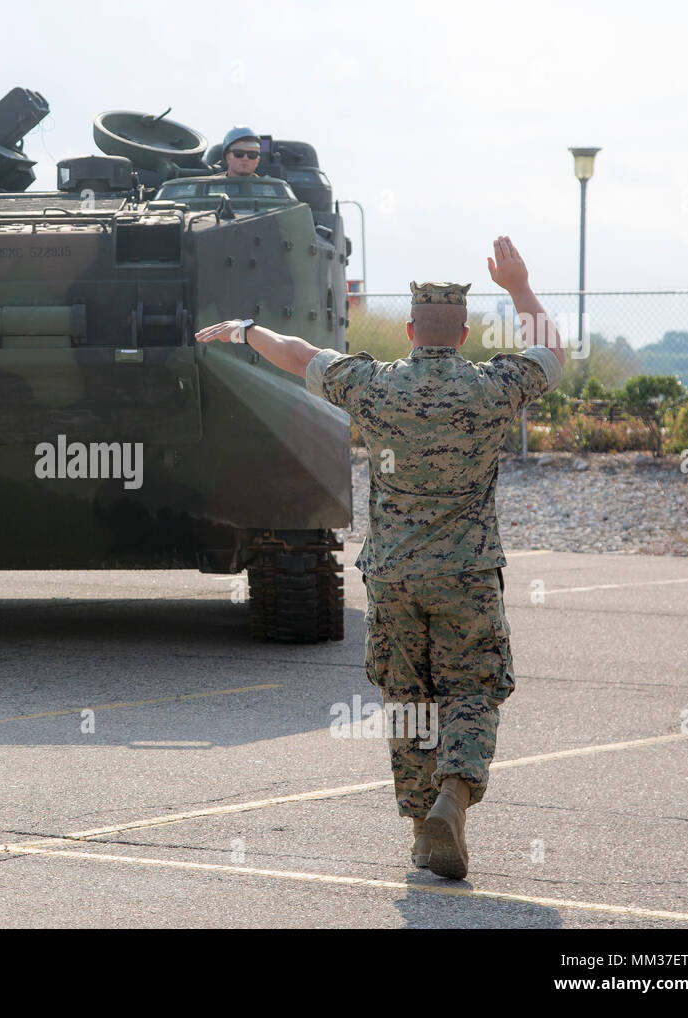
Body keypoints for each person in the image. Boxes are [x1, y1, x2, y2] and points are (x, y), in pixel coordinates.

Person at [195, 236, 565, 880]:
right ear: (467, 331)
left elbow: (300, 354)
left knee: (409, 696)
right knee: (472, 689)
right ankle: (456, 793)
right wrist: (520, 287)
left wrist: (246, 330)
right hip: (467, 574)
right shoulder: (495, 388)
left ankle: (425, 829)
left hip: (393, 574)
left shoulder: (373, 385)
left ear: (410, 329)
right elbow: (552, 354)